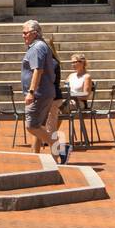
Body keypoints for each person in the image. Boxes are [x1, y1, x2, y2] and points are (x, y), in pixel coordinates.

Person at [20, 19, 57, 155]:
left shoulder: (37, 47)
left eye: (25, 33)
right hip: (43, 93)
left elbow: (38, 70)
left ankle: (58, 147)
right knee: (38, 126)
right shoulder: (37, 47)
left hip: (39, 94)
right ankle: (52, 154)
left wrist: (31, 92)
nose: (23, 36)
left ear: (34, 33)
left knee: (32, 126)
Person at [44, 36, 70, 165]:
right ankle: (58, 152)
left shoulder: (52, 63)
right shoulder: (51, 61)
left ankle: (60, 151)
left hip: (52, 98)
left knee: (50, 129)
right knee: (47, 128)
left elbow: (50, 81)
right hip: (51, 97)